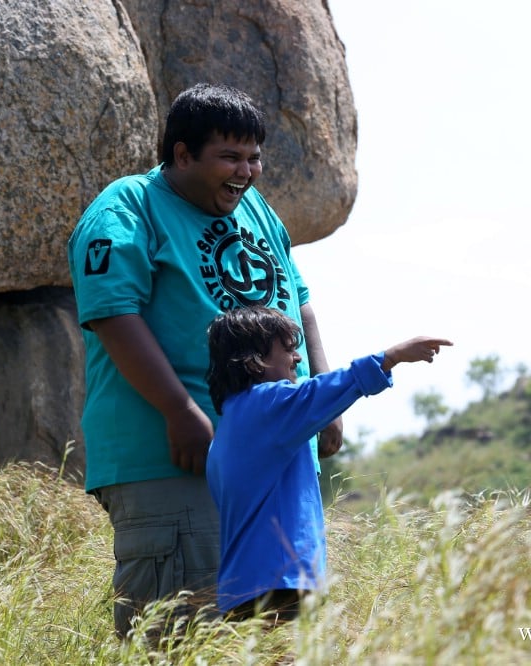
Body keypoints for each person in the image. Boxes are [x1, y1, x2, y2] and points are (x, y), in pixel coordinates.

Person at [66, 83, 342, 636]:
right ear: (182, 154)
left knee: (272, 638)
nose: (247, 171)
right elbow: (113, 313)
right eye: (230, 157)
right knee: (181, 636)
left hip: (276, 469)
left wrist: (323, 399)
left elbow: (300, 303)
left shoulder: (256, 209)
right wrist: (179, 411)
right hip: (178, 462)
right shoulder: (128, 209)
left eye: (254, 157)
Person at [204, 306, 452, 622]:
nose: (297, 358)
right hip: (278, 584)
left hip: (240, 591)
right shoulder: (269, 404)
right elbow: (322, 391)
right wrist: (391, 357)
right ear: (256, 361)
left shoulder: (227, 427)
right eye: (288, 349)